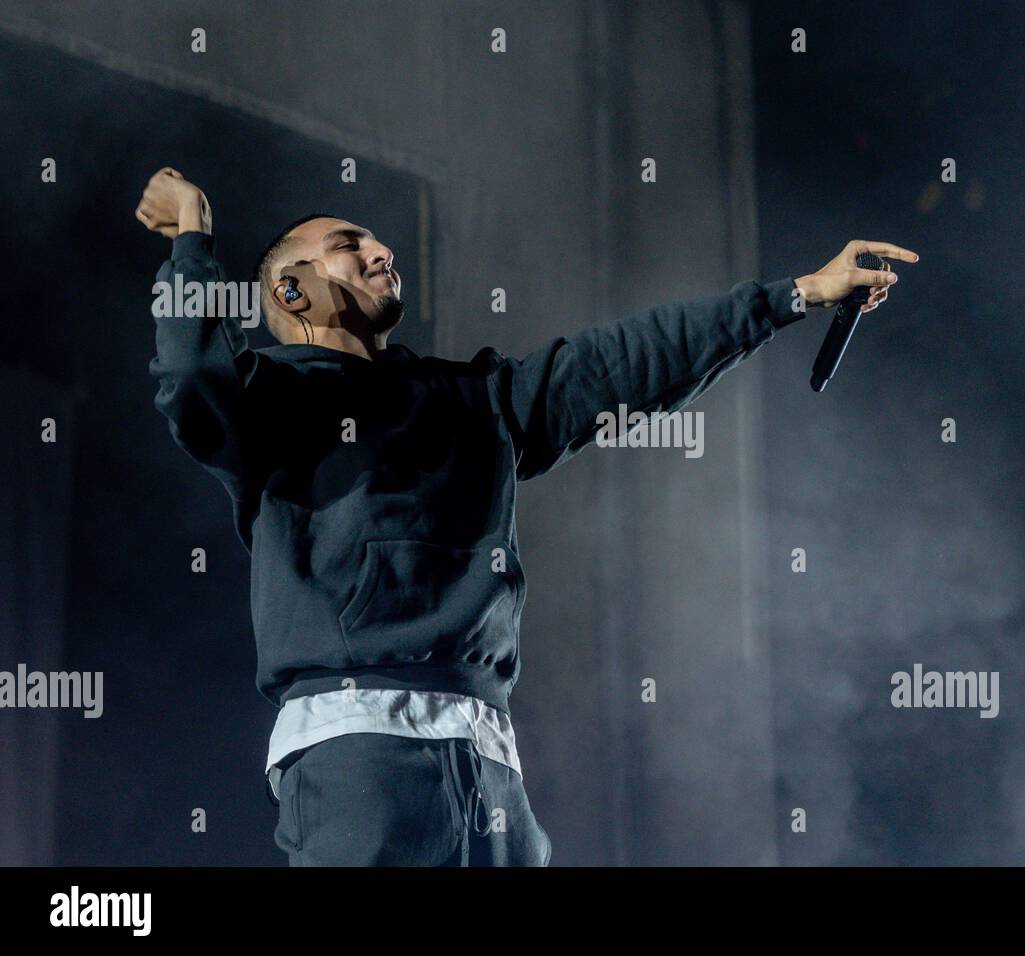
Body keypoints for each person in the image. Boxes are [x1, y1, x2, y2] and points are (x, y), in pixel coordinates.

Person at [134, 165, 916, 866]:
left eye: (380, 246)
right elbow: (190, 379)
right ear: (293, 292)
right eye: (349, 246)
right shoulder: (271, 397)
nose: (382, 255)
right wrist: (194, 237)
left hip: (490, 763)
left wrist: (795, 294)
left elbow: (625, 362)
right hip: (359, 753)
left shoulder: (477, 401)